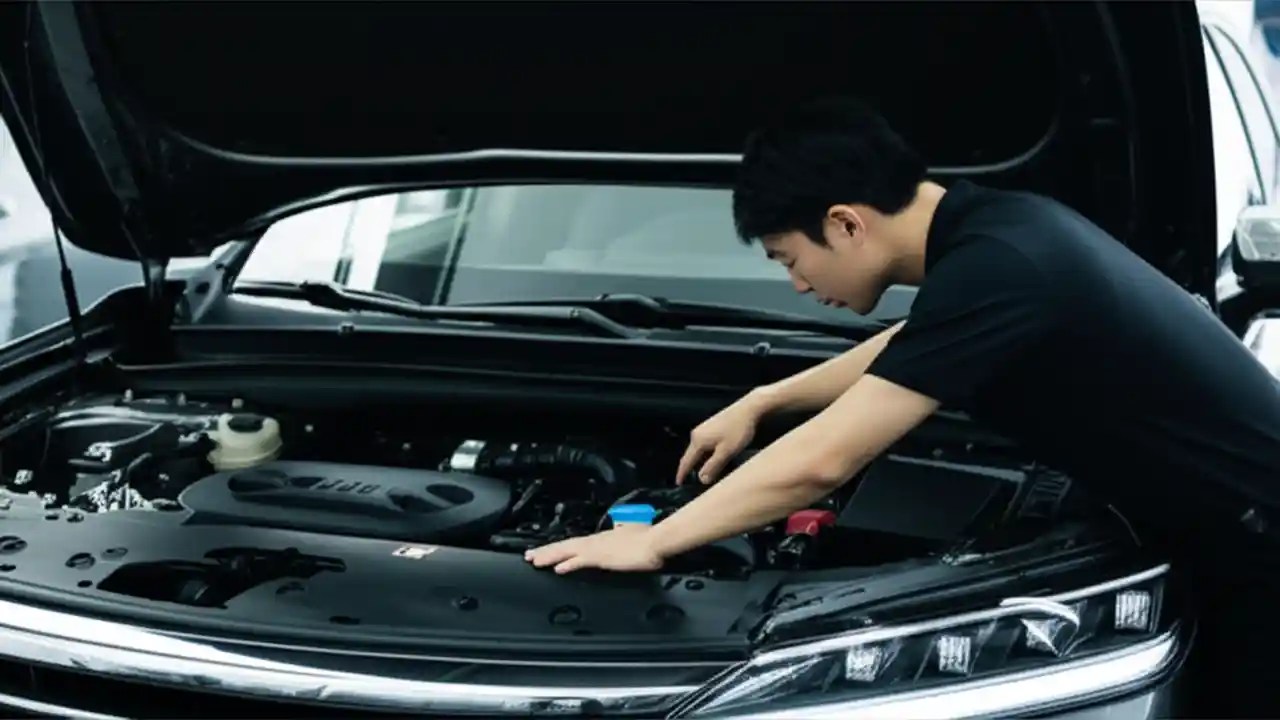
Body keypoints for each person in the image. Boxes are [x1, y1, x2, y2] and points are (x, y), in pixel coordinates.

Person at [524, 97, 1280, 716]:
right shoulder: (1000, 231)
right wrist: (767, 399)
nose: (797, 284)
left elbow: (824, 462)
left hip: (1259, 543)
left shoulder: (1005, 267)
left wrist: (658, 540)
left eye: (790, 260)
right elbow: (912, 341)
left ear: (846, 223)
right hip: (1226, 526)